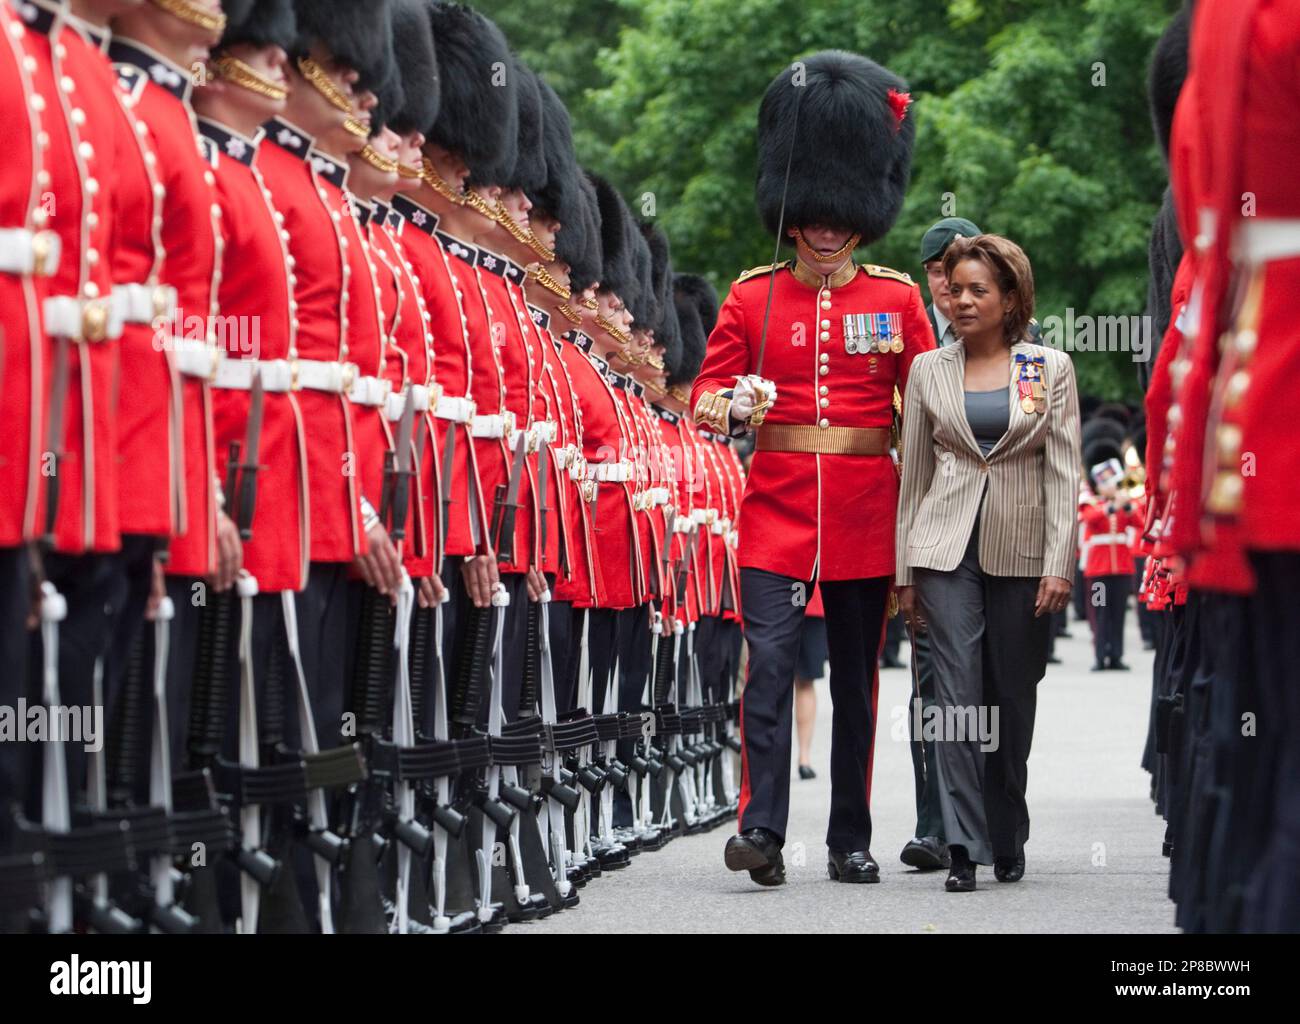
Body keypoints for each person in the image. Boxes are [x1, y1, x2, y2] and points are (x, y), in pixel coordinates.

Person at [696, 50, 934, 888]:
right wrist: (738, 407)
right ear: (793, 214)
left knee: (859, 691)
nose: (827, 231)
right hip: (777, 511)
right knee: (766, 667)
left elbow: (927, 409)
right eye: (815, 218)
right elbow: (705, 393)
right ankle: (760, 827)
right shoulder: (751, 296)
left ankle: (848, 838)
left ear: (863, 213)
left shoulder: (899, 301)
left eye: (841, 218)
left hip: (869, 511)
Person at [895, 233, 1079, 892]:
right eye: (955, 288)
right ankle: (962, 843)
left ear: (1010, 299)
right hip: (943, 550)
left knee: (1011, 692)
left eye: (979, 290)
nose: (962, 300)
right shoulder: (927, 370)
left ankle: (1007, 828)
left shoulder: (1044, 369)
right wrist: (903, 576)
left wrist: (1061, 562)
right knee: (955, 697)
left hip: (1024, 549)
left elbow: (1062, 473)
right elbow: (913, 476)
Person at [793, 585, 827, 780]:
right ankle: (803, 757)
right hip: (806, 599)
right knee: (803, 682)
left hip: (812, 601)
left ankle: (804, 755)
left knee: (805, 680)